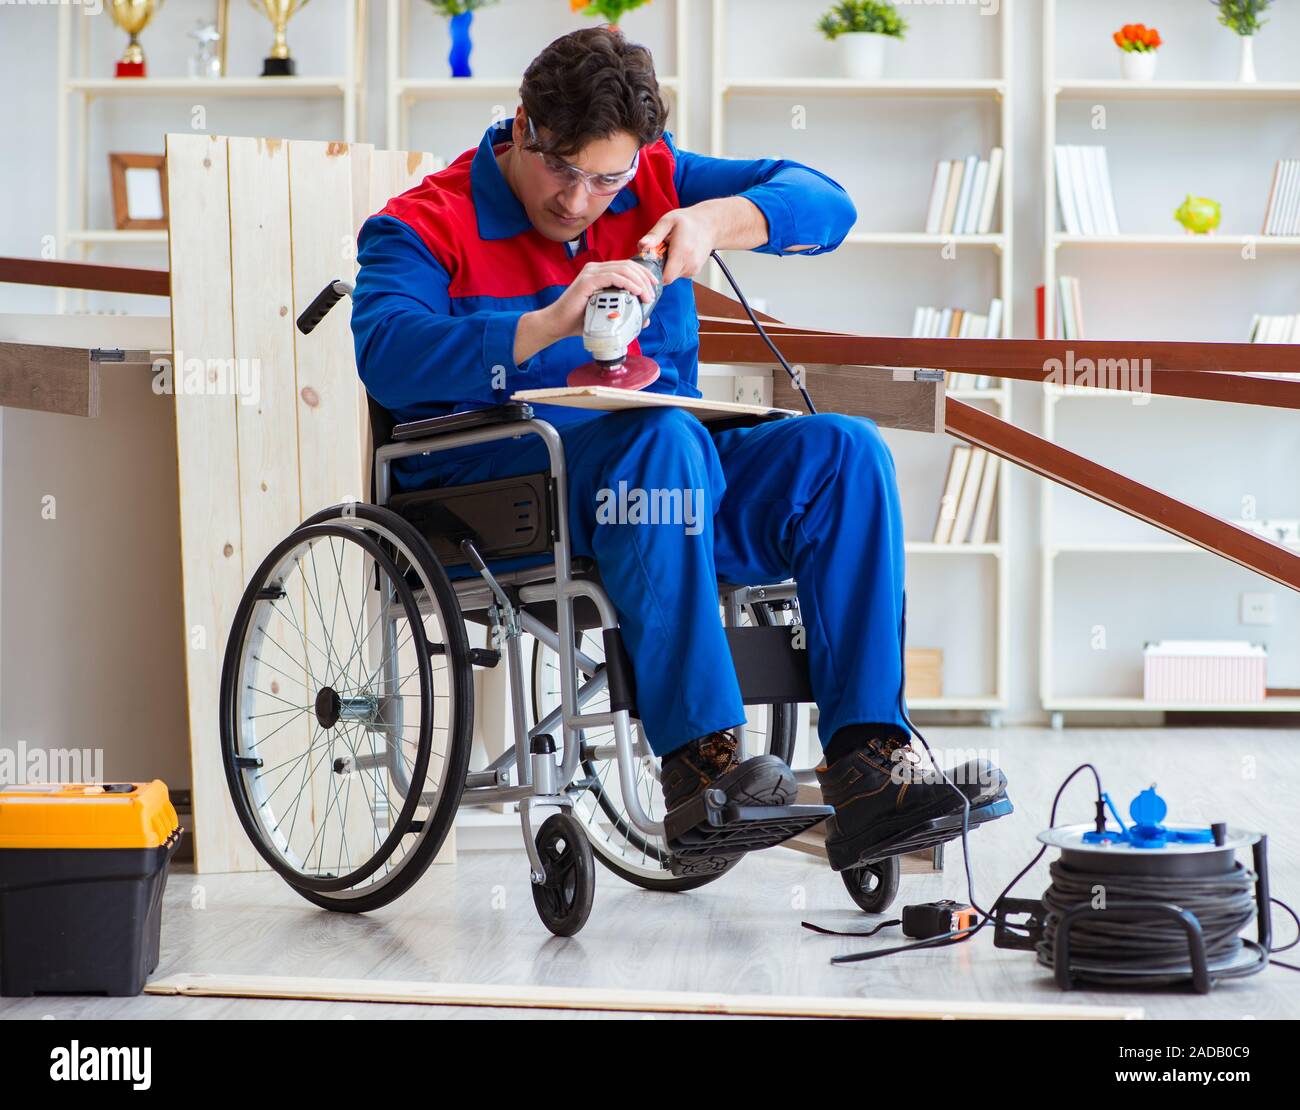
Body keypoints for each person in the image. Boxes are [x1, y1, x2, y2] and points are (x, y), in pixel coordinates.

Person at [351, 27, 1010, 872]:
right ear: (521, 127)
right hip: (512, 488)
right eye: (561, 168)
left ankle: (867, 762)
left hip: (671, 482)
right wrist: (549, 321)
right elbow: (389, 353)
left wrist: (713, 220)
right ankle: (704, 769)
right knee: (663, 439)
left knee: (846, 450)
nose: (581, 201)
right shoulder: (421, 221)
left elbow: (827, 204)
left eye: (608, 178)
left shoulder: (655, 179)